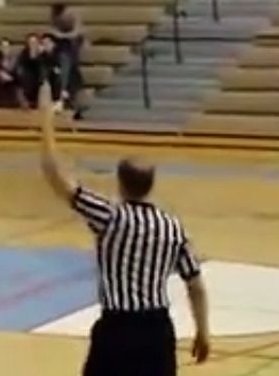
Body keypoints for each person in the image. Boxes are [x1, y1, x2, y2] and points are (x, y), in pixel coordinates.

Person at [38, 87, 210, 376]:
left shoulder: (109, 216)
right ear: (151, 184)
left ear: (120, 183)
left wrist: (45, 121)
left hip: (118, 329)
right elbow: (196, 285)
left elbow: (57, 177)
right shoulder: (172, 226)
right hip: (157, 330)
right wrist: (203, 332)